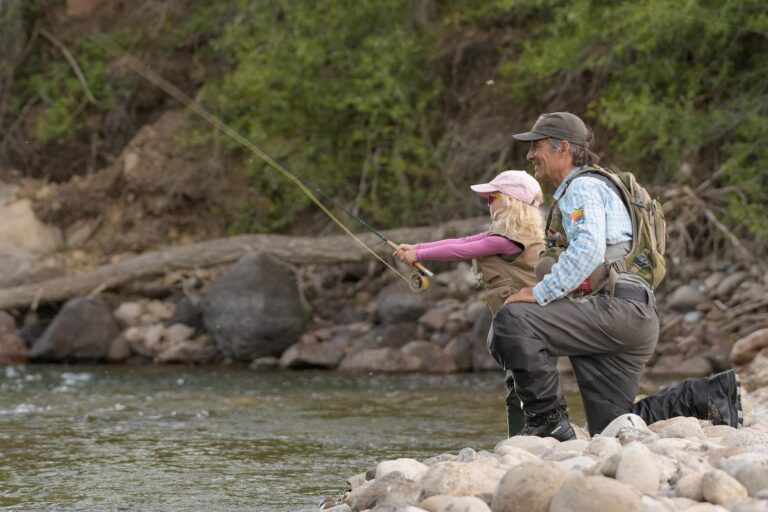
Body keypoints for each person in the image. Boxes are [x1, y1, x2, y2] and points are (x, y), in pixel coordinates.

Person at [489, 112, 742, 440]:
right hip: (633, 315)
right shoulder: (598, 185)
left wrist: (539, 293)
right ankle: (711, 394)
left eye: (536, 146)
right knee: (612, 425)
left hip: (615, 311)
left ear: (563, 147)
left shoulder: (581, 187)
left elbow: (588, 248)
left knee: (512, 321)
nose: (530, 155)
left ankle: (547, 422)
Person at [394, 170, 550, 435]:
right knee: (519, 385)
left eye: (493, 198)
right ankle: (525, 439)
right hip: (524, 324)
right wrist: (417, 248)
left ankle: (531, 438)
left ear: (511, 202)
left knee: (525, 386)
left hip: (528, 325)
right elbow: (464, 241)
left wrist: (419, 253)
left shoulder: (507, 240)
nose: (488, 203)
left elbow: (462, 251)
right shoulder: (507, 234)